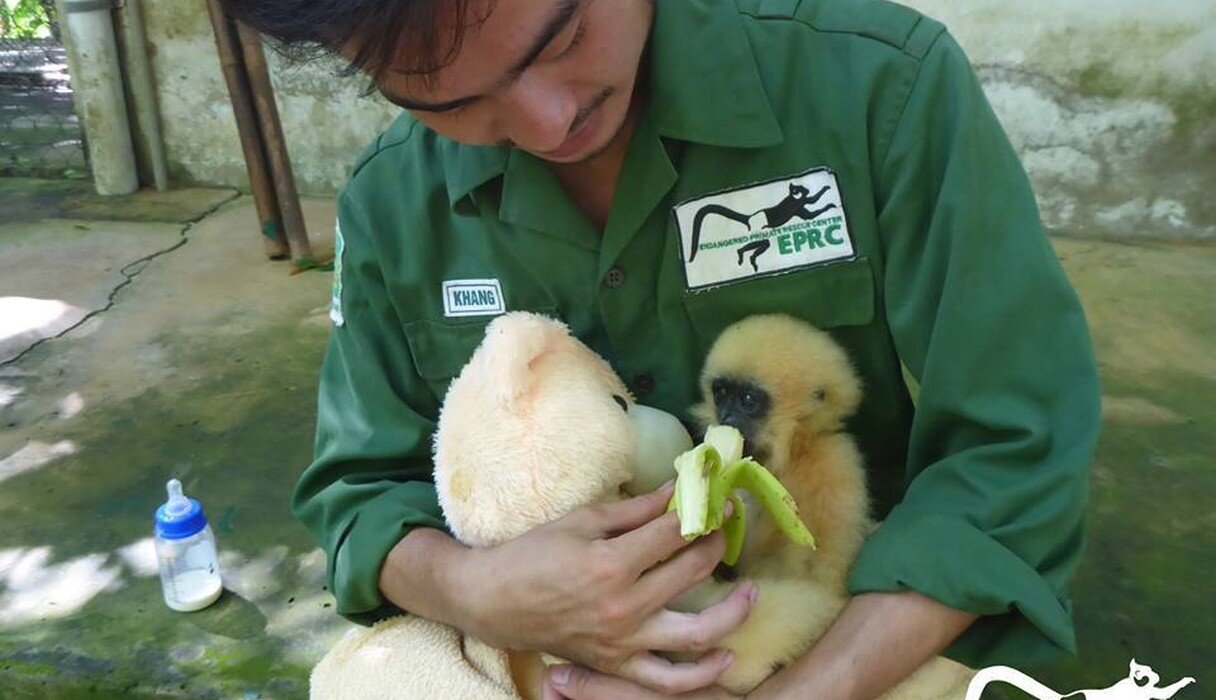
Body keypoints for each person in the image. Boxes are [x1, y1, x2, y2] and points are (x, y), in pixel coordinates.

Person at [221, 0, 1102, 697]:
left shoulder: (881, 87)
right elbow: (358, 493)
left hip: (849, 631)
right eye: (456, 101)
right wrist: (480, 593)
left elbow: (1017, 446)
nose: (545, 120)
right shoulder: (391, 202)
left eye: (560, 33)